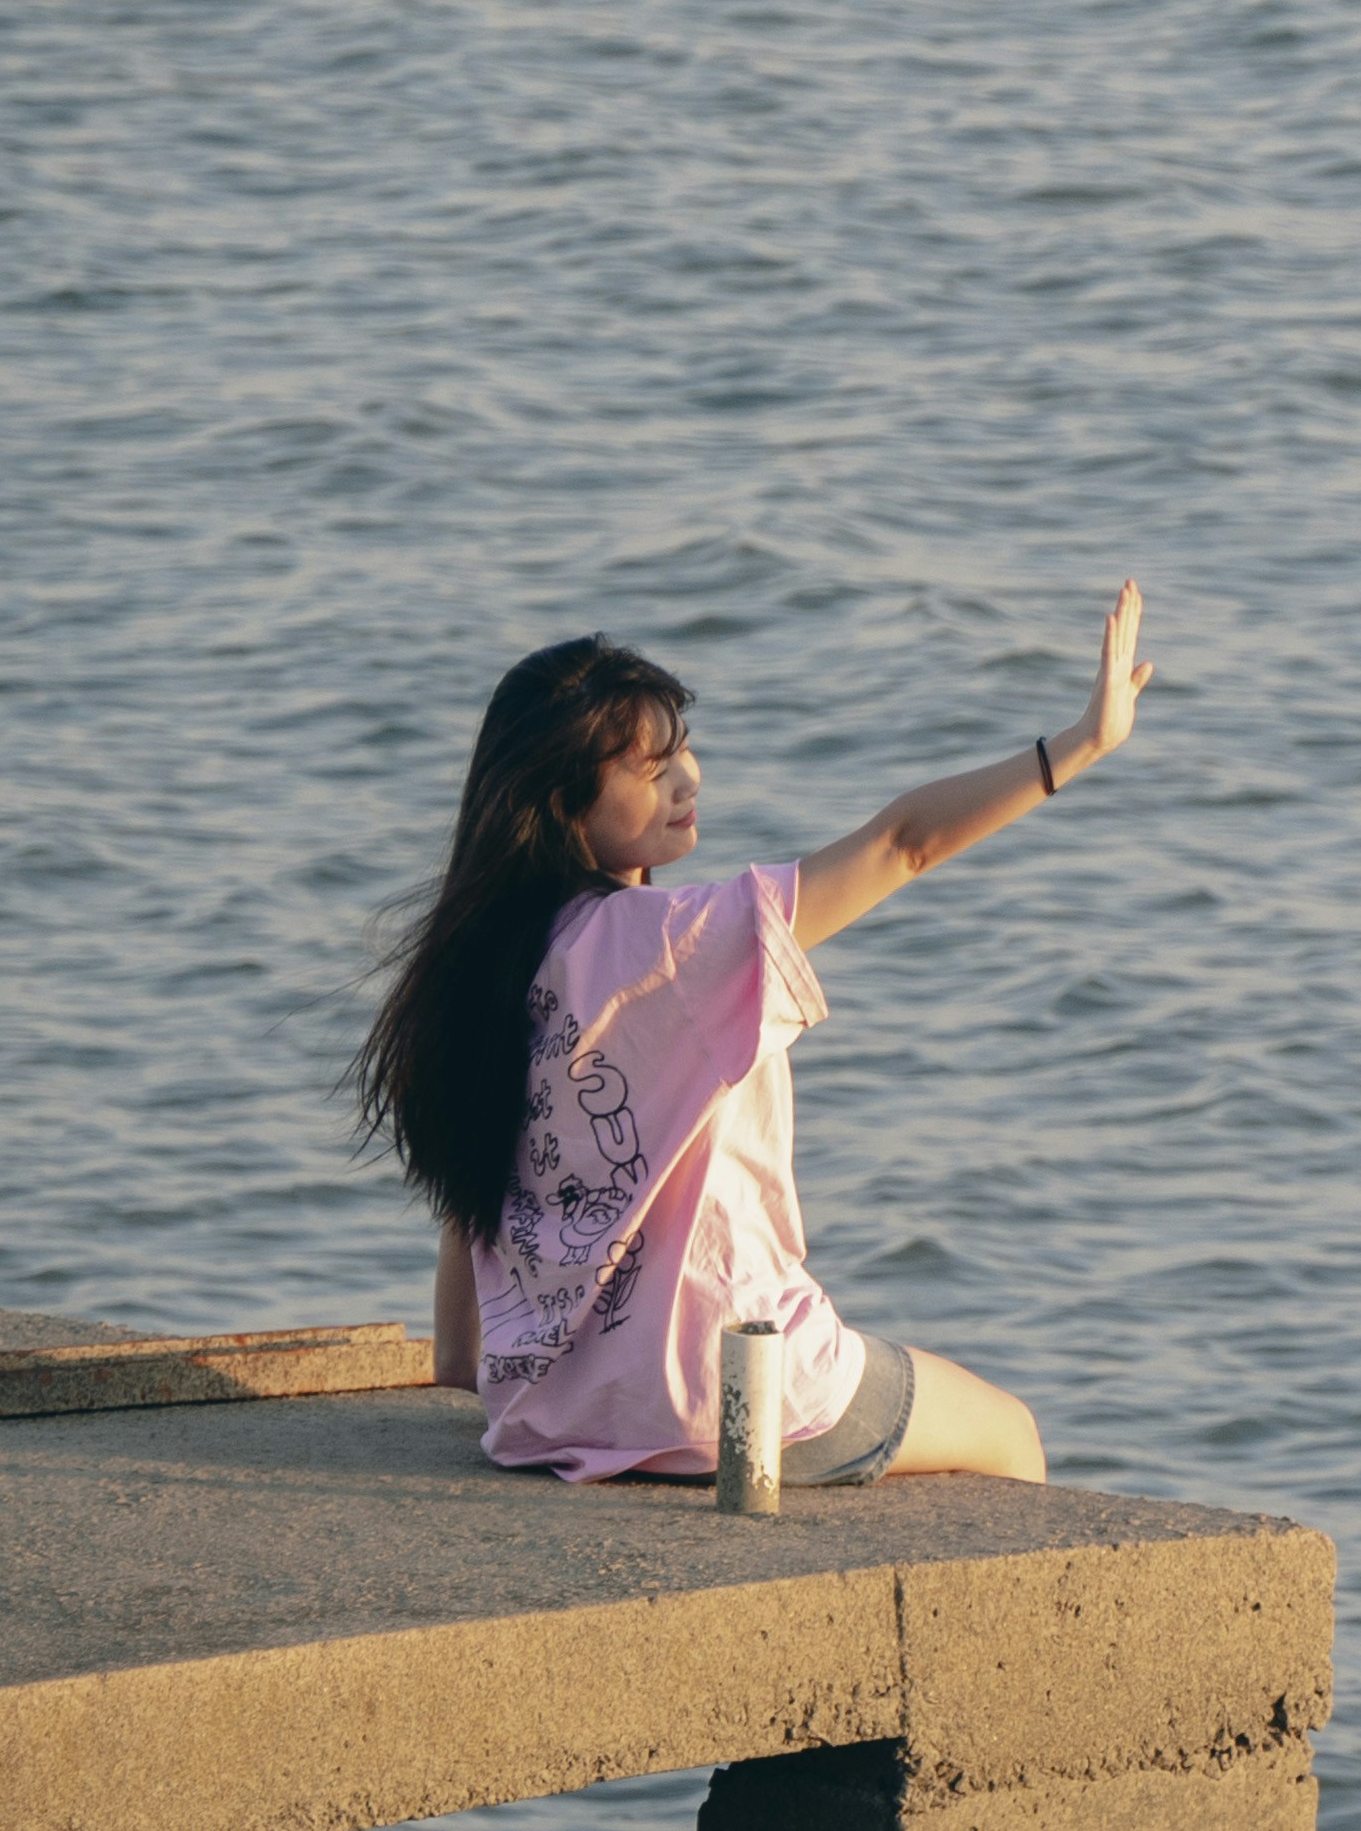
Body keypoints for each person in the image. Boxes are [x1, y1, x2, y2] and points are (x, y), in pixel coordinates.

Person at [351, 587, 1151, 1485]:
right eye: (651, 769)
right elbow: (902, 844)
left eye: (683, 749)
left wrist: (468, 1368)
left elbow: (466, 1247)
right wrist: (1077, 748)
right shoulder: (667, 945)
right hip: (732, 1393)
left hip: (553, 1413)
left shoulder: (475, 961)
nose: (689, 780)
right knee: (1012, 1437)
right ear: (564, 801)